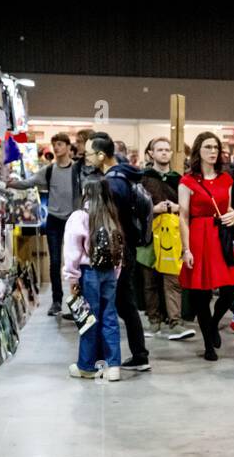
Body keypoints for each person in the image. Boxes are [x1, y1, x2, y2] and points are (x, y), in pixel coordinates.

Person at [86, 132, 151, 371]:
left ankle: (117, 357)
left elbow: (109, 220)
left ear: (102, 155)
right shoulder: (124, 175)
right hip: (125, 248)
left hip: (117, 252)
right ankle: (139, 354)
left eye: (89, 154)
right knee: (124, 303)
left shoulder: (113, 184)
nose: (86, 158)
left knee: (116, 304)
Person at [178, 131, 234, 361]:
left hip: (221, 237)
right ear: (198, 151)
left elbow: (229, 209)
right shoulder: (187, 181)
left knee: (229, 291)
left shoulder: (226, 179)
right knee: (201, 295)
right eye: (208, 147)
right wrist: (186, 249)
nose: (213, 151)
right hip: (198, 237)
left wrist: (233, 216)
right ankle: (208, 345)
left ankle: (213, 324)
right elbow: (183, 217)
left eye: (215, 147)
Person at [8, 131, 81, 316]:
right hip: (54, 220)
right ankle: (57, 301)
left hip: (74, 220)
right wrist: (9, 184)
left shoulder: (77, 170)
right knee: (55, 261)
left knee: (75, 263)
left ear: (68, 147)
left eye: (60, 144)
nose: (57, 148)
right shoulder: (49, 170)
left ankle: (78, 303)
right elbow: (29, 182)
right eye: (54, 144)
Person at [62, 178, 123, 381]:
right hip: (109, 272)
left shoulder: (80, 216)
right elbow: (119, 246)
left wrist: (71, 278)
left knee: (88, 319)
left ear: (86, 192)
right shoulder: (111, 214)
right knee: (110, 318)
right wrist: (116, 271)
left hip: (88, 273)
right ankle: (113, 365)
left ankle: (86, 365)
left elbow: (72, 249)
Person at [139, 137, 195, 340]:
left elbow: (189, 207)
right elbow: (134, 207)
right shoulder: (143, 178)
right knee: (150, 281)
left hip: (173, 237)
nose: (164, 153)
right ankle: (154, 322)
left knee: (172, 280)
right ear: (151, 153)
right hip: (148, 237)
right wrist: (153, 209)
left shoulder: (178, 179)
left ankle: (175, 322)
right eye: (160, 149)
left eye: (167, 150)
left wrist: (176, 207)